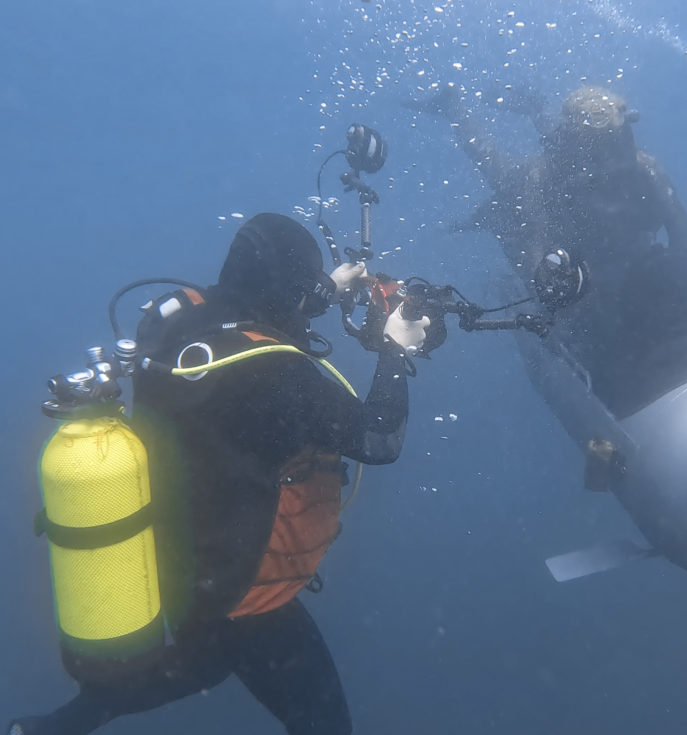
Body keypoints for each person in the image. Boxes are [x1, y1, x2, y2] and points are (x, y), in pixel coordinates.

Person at [9, 213, 434, 735]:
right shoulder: (274, 370)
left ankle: (52, 727)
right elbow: (379, 439)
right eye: (305, 291)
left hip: (176, 561)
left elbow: (257, 297)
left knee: (199, 665)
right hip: (240, 591)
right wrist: (395, 349)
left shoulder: (173, 320)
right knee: (324, 721)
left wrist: (325, 286)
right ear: (288, 288)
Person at [420, 84, 687, 418]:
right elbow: (538, 243)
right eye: (595, 146)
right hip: (577, 258)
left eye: (610, 144)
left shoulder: (644, 169)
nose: (604, 160)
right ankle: (455, 107)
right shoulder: (541, 176)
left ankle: (535, 107)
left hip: (628, 259)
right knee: (493, 166)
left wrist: (682, 283)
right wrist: (553, 300)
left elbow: (679, 230)